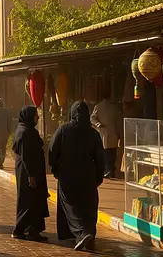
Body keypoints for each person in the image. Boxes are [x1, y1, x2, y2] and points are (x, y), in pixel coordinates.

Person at [49, 101, 105, 251]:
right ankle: (89, 235)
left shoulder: (63, 130)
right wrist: (98, 176)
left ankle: (82, 233)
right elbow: (100, 158)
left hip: (67, 175)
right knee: (89, 207)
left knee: (70, 206)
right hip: (88, 176)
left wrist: (55, 169)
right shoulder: (93, 134)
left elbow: (52, 151)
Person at [12, 106, 49, 243]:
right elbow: (26, 156)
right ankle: (21, 229)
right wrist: (31, 175)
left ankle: (31, 230)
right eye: (35, 115)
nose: (37, 118)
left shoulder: (26, 130)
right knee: (29, 202)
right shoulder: (25, 132)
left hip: (29, 172)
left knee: (33, 201)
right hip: (28, 173)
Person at [91, 92, 122, 179]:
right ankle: (110, 170)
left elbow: (92, 118)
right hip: (111, 134)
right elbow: (119, 123)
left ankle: (108, 170)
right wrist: (119, 134)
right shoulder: (114, 108)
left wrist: (98, 124)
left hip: (103, 133)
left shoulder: (99, 107)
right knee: (111, 154)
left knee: (105, 153)